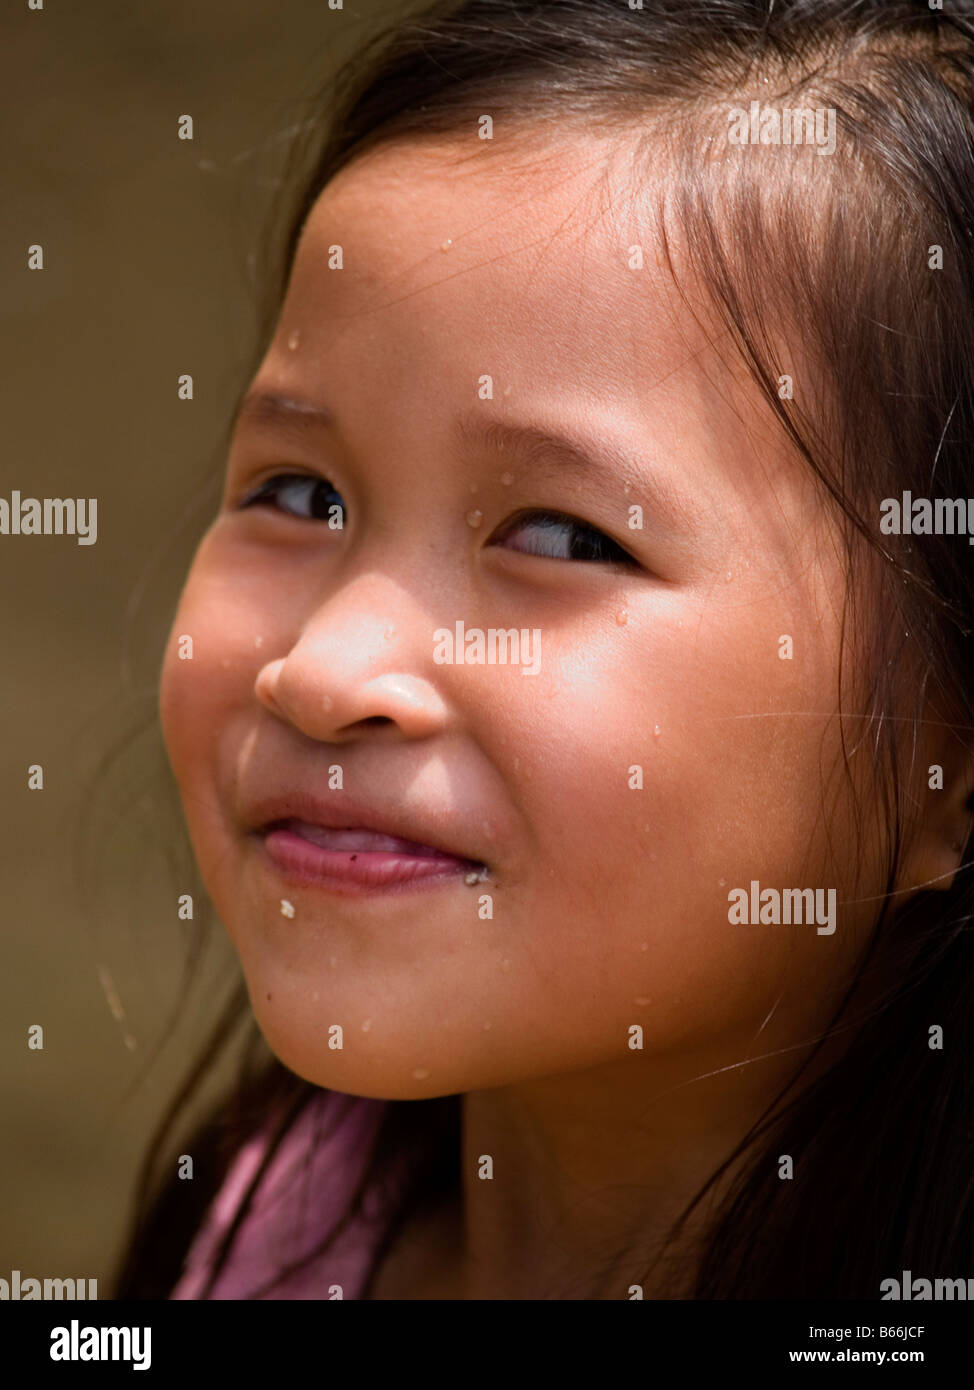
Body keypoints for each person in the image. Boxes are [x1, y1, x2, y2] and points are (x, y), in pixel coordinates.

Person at [112, 0, 974, 1300]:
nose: (329, 670)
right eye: (300, 496)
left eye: (564, 538)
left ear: (944, 758)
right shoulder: (266, 1233)